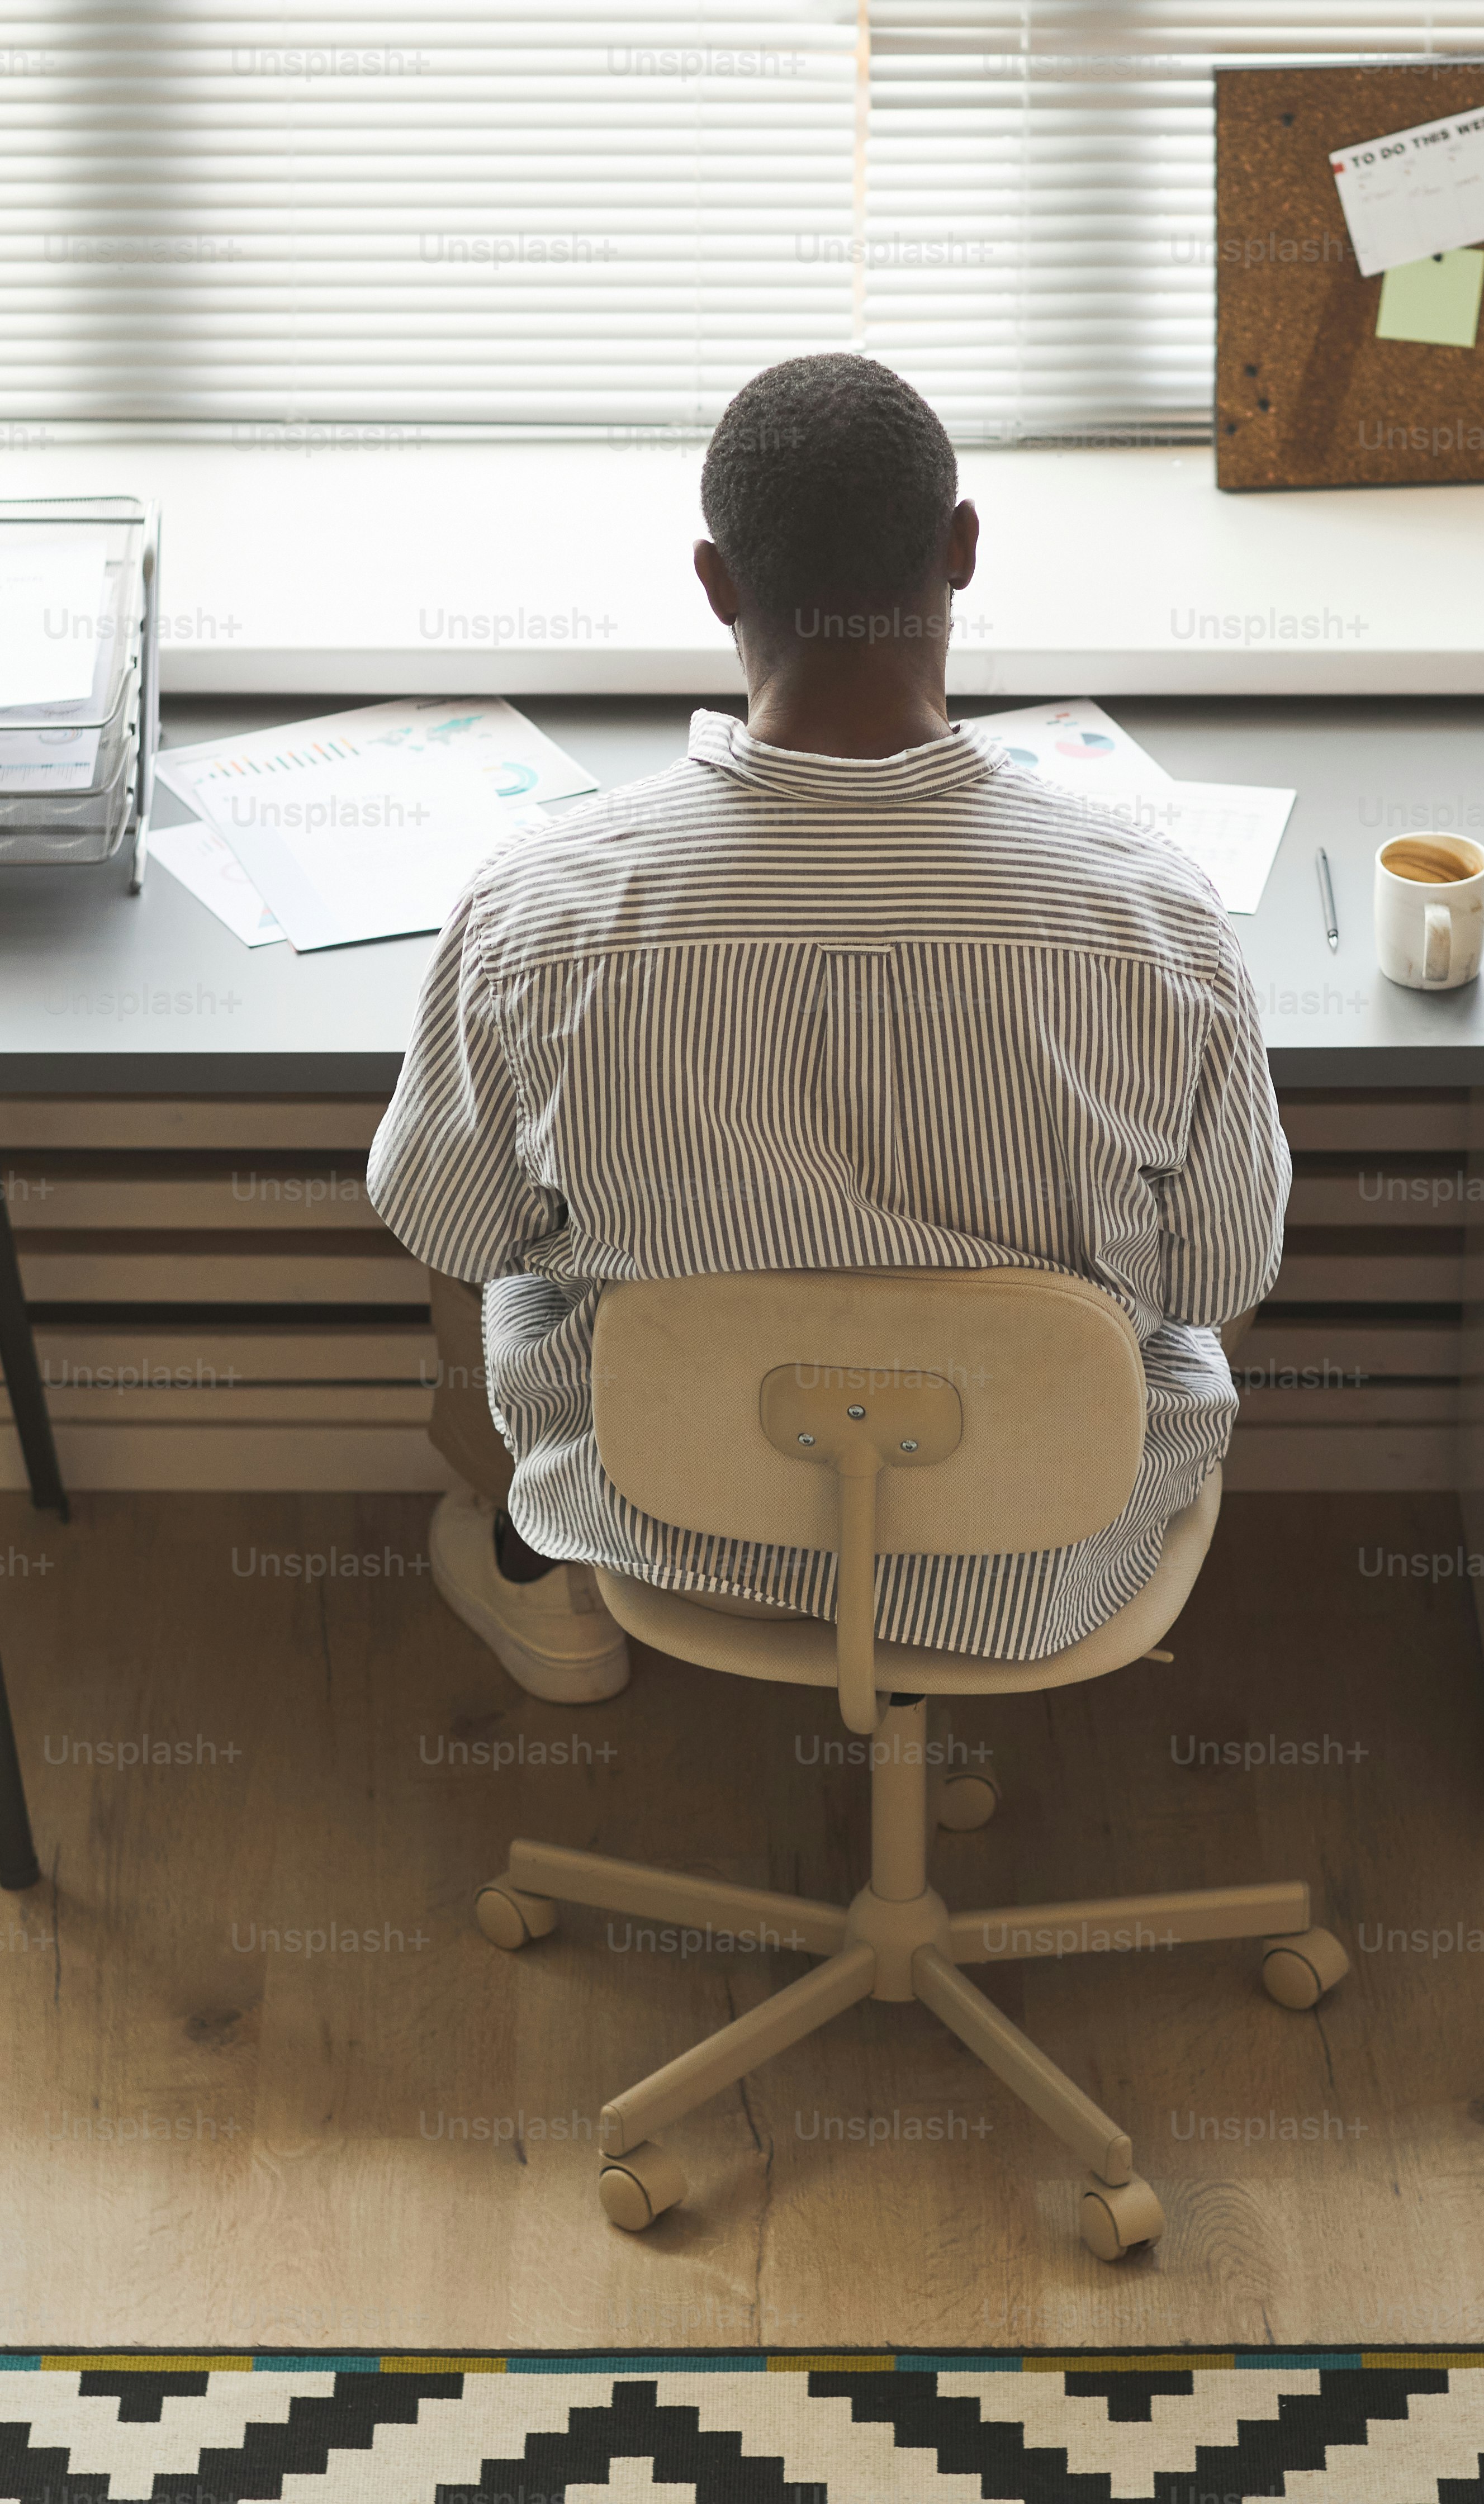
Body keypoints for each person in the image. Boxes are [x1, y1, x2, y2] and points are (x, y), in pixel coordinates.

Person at [367, 353, 1291, 1704]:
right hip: (1047, 1552)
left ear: (717, 581)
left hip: (670, 1526)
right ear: (962, 552)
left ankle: (532, 1568)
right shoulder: (1155, 919)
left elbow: (448, 1226)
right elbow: (1223, 1273)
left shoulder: (537, 908)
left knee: (499, 1238)